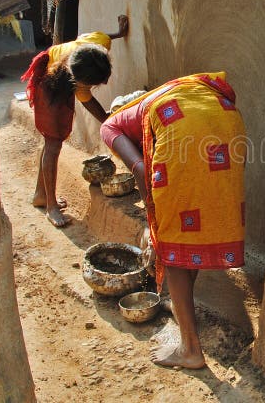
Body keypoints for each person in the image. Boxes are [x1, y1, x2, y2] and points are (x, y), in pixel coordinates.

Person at [100, 72, 246, 368]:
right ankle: (182, 308)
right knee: (191, 226)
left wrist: (153, 218)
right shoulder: (171, 95)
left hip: (180, 128)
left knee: (171, 243)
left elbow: (140, 170)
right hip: (226, 121)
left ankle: (190, 349)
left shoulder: (112, 125)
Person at [21, 15, 129, 227]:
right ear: (80, 81)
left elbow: (104, 37)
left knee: (51, 143)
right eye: (98, 82)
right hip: (49, 83)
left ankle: (40, 195)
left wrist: (119, 33)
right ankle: (51, 206)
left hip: (65, 70)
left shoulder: (98, 44)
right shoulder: (74, 80)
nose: (106, 81)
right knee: (53, 143)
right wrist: (109, 122)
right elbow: (90, 103)